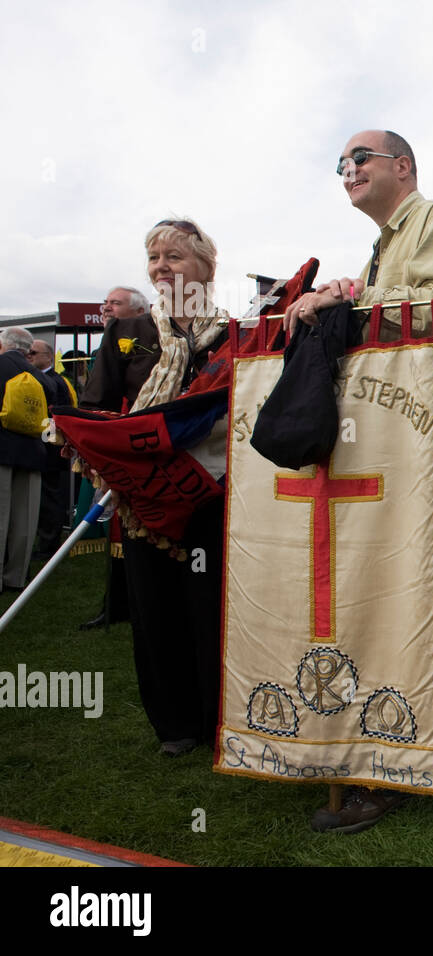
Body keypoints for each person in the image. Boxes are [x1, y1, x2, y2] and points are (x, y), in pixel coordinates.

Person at [284, 129, 433, 832]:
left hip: (430, 429)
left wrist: (345, 308)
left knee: (414, 591)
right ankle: (424, 747)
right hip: (393, 431)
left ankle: (425, 756)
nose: (347, 170)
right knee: (403, 589)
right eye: (340, 163)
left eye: (359, 158)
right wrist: (349, 292)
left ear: (403, 167)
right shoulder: (384, 246)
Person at [79, 219, 230, 756]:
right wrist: (109, 457)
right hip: (143, 495)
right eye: (154, 259)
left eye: (174, 257)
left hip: (213, 492)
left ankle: (220, 719)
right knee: (155, 607)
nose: (161, 267)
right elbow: (96, 406)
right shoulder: (128, 333)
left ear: (205, 267)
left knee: (211, 605)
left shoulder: (235, 333)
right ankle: (176, 725)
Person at [79, 285, 153, 631]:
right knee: (116, 527)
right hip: (111, 437)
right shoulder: (110, 340)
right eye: (106, 302)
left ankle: (140, 603)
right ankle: (117, 602)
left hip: (140, 436)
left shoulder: (149, 339)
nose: (106, 307)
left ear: (138, 311)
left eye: (115, 303)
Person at [0, 328, 57, 592]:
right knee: (24, 519)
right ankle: (16, 577)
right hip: (34, 453)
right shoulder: (44, 377)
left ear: (4, 345)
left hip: (2, 451)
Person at [26, 338, 76, 564]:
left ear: (48, 355)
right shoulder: (52, 380)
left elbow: (53, 418)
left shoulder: (52, 381)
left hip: (50, 449)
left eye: (33, 352)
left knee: (49, 499)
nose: (30, 356)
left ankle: (48, 546)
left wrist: (46, 444)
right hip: (49, 447)